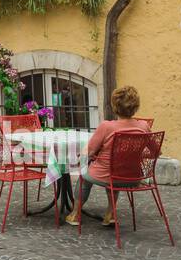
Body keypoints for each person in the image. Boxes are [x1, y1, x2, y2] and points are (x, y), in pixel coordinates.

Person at [65, 86, 151, 227]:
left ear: (114, 106)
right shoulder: (144, 126)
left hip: (107, 176)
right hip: (133, 177)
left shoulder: (106, 126)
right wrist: (133, 153)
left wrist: (84, 154)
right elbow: (154, 152)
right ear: (136, 106)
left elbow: (90, 152)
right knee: (113, 172)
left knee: (84, 176)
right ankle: (110, 214)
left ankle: (75, 214)